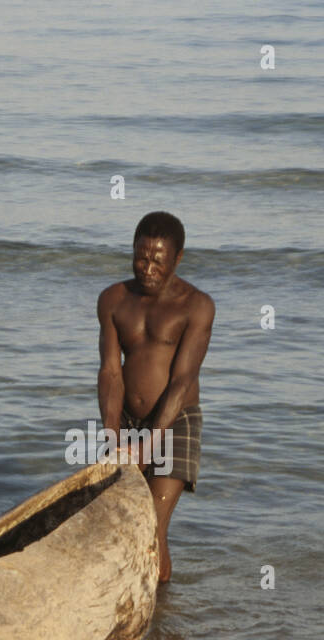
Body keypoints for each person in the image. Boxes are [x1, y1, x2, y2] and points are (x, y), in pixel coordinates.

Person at [96, 211, 214, 584]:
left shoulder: (197, 305)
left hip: (176, 420)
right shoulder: (113, 299)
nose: (147, 268)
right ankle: (134, 598)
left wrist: (148, 446)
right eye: (141, 258)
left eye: (158, 261)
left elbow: (182, 381)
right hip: (127, 420)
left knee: (152, 525)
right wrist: (114, 438)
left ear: (177, 259)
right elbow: (111, 373)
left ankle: (159, 608)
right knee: (119, 518)